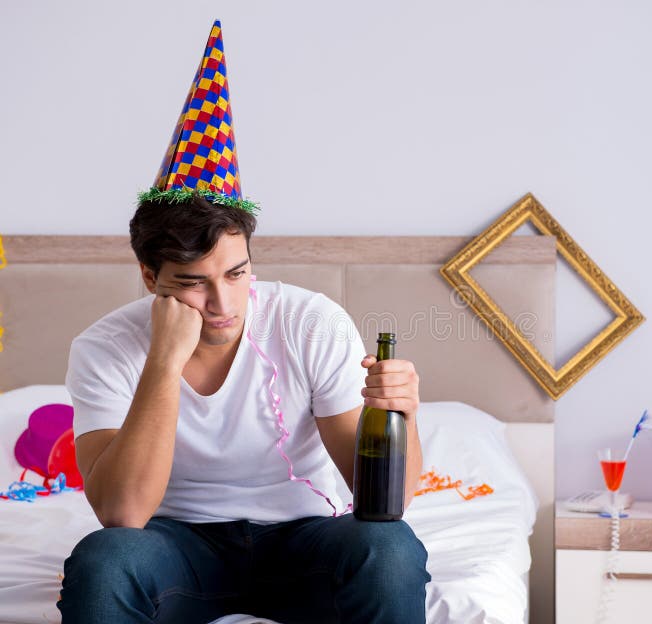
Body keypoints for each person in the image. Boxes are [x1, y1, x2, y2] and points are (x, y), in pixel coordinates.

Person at [56, 21, 429, 624]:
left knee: (389, 550)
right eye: (192, 283)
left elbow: (386, 502)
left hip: (306, 542)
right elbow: (123, 513)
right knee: (103, 560)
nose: (224, 304)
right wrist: (162, 361)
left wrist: (402, 415)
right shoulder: (104, 347)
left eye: (236, 274)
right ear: (150, 279)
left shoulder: (310, 323)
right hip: (176, 547)